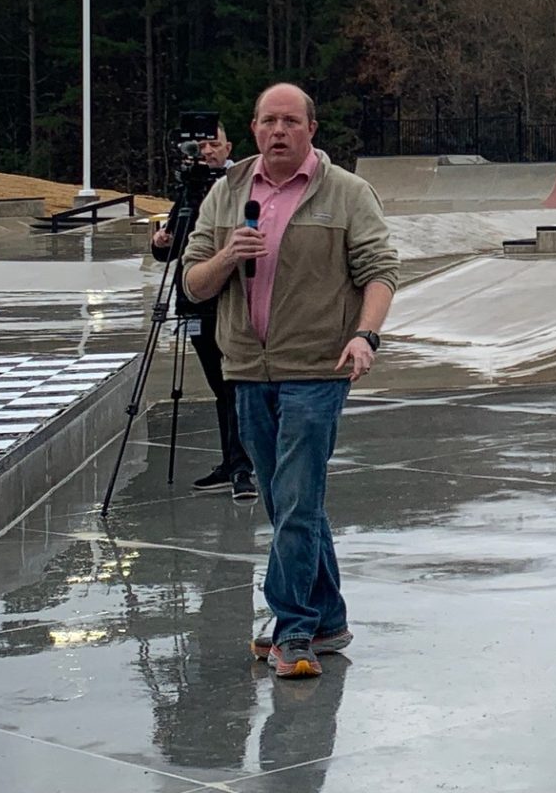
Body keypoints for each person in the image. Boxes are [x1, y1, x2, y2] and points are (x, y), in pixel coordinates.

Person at [182, 82, 399, 679]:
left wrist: (366, 335)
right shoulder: (226, 194)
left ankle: (293, 629)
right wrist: (228, 256)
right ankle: (329, 620)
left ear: (311, 129)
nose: (278, 131)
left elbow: (380, 271)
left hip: (319, 369)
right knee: (286, 503)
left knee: (299, 498)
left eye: (290, 121)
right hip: (247, 371)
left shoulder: (348, 194)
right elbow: (192, 283)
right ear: (252, 130)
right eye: (268, 121)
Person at [149, 123, 256, 502]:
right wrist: (160, 241)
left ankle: (243, 465)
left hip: (232, 300)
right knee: (219, 386)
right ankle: (232, 462)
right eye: (202, 144)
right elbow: (172, 249)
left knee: (234, 384)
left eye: (215, 143)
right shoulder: (190, 190)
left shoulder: (242, 185)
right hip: (194, 302)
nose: (207, 151)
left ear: (229, 145)